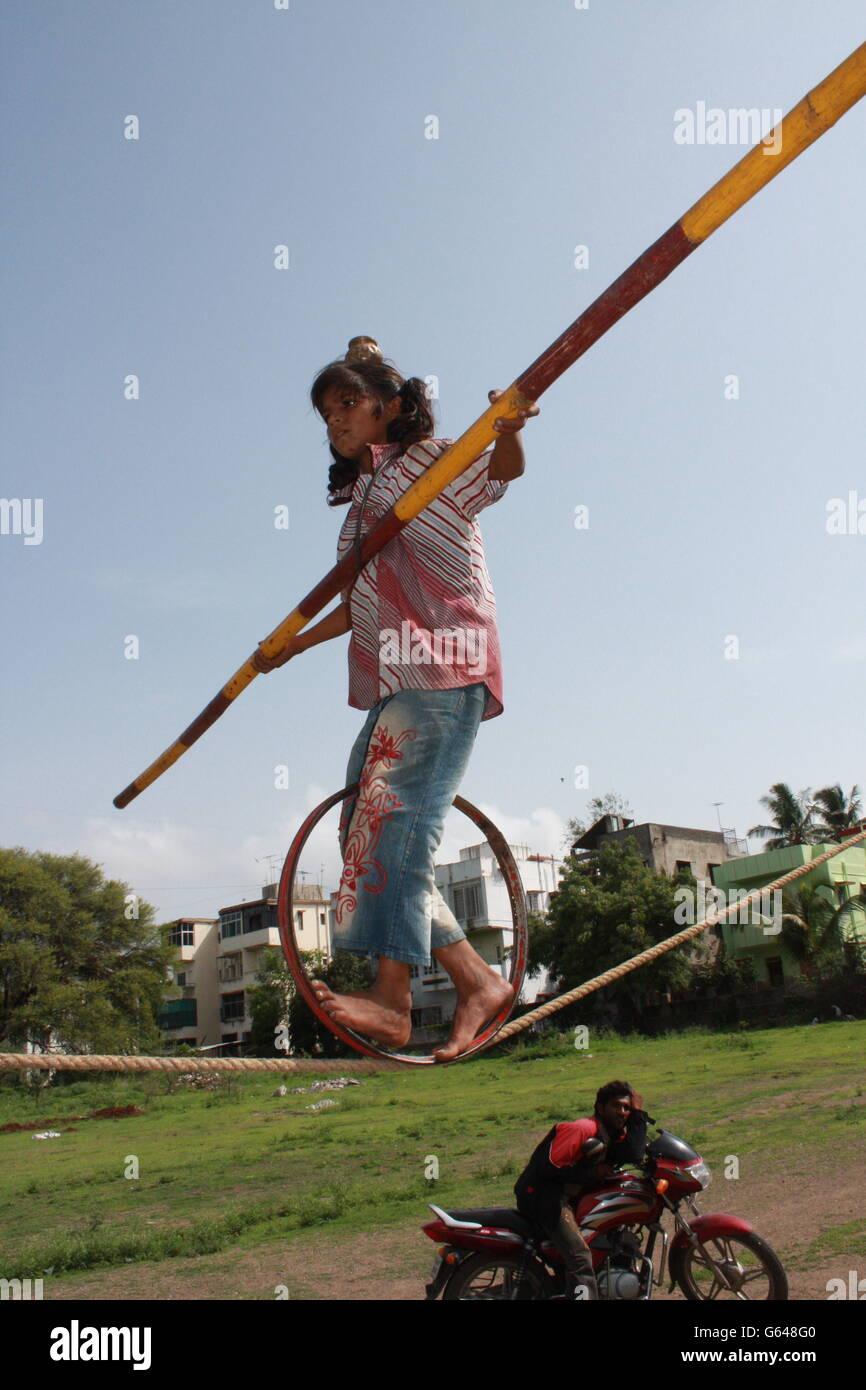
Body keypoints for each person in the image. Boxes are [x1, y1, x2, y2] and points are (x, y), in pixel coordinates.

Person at [253, 337, 538, 1061]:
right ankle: (475, 981)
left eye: (347, 403)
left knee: (397, 827)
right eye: (325, 413)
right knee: (362, 831)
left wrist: (508, 433)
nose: (333, 421)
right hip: (396, 679)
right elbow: (358, 608)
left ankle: (393, 999)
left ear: (392, 407)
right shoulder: (360, 508)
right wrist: (294, 645)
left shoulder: (430, 460)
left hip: (444, 660)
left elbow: (497, 479)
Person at [513, 1080, 650, 1300]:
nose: (622, 1112)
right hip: (543, 1197)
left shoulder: (610, 1134)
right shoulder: (583, 1129)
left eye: (626, 1107)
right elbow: (548, 1168)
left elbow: (632, 1153)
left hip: (565, 1195)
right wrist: (592, 1175)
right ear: (600, 1107)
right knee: (580, 1256)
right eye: (616, 1106)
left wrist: (639, 1114)